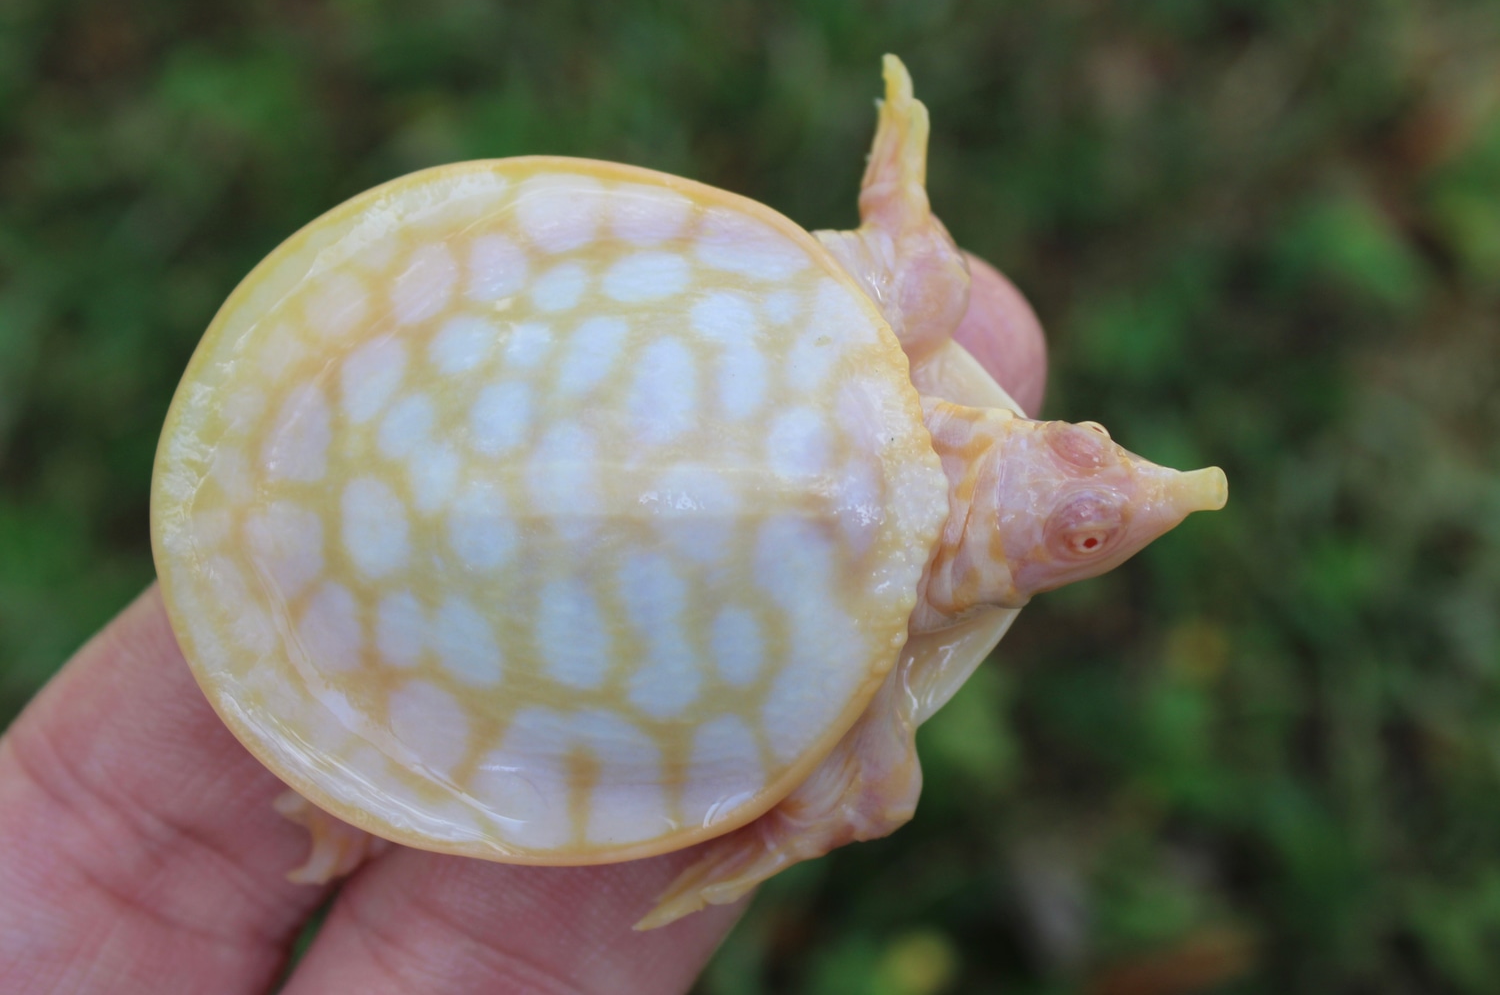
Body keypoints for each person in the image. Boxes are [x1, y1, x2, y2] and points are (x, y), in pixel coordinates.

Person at [0, 258, 1047, 994]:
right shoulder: (864, 684)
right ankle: (359, 777)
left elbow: (855, 794)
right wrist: (778, 836)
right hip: (403, 484)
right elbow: (860, 793)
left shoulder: (874, 349)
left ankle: (359, 772)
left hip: (412, 450)